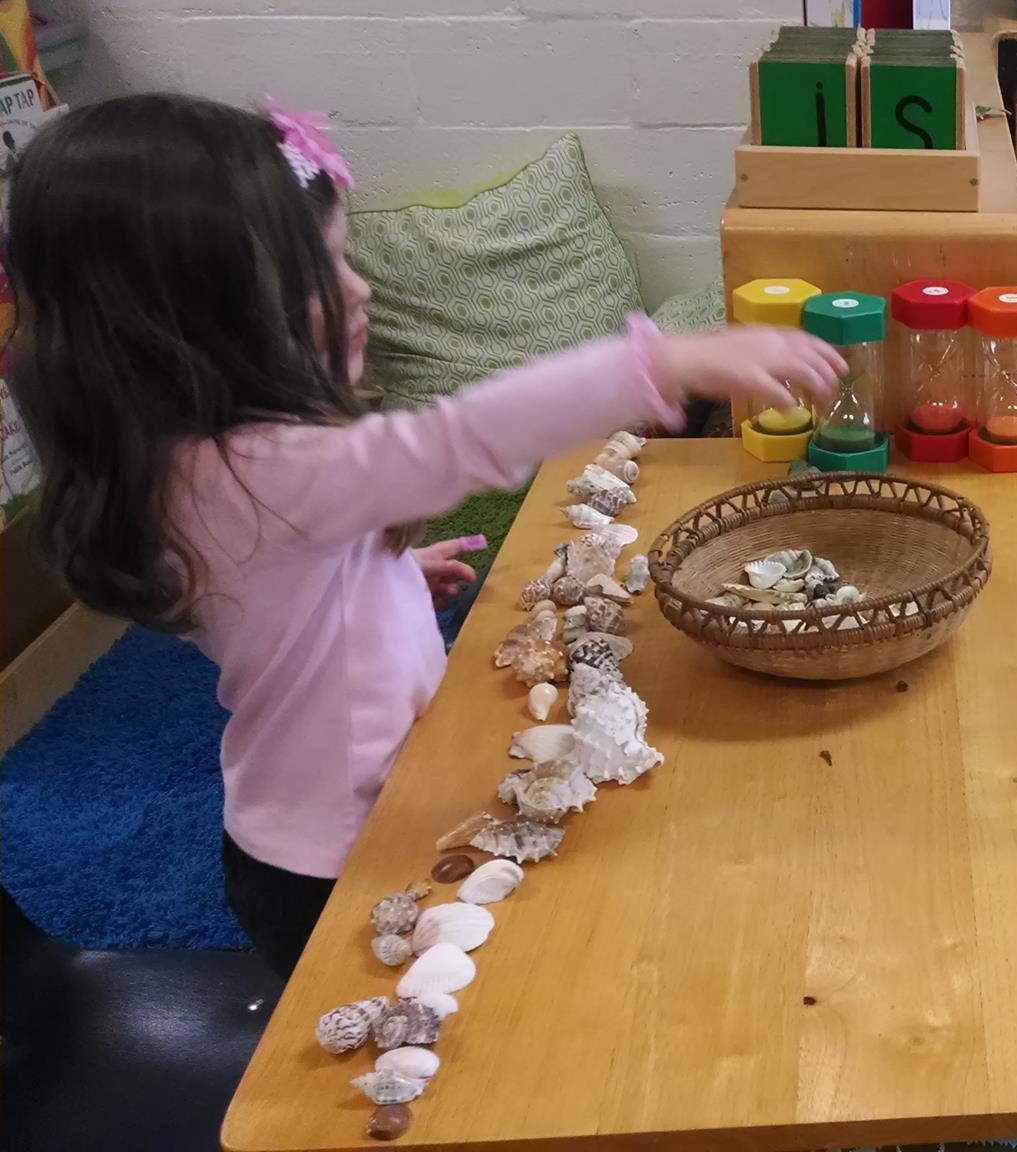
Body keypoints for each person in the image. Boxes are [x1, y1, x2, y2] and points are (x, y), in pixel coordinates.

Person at [4, 94, 844, 976]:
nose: (359, 288)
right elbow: (458, 438)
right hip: (338, 854)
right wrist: (658, 364)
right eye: (317, 273)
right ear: (186, 319)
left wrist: (384, 577)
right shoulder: (258, 472)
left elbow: (262, 591)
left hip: (308, 824)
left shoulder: (185, 458)